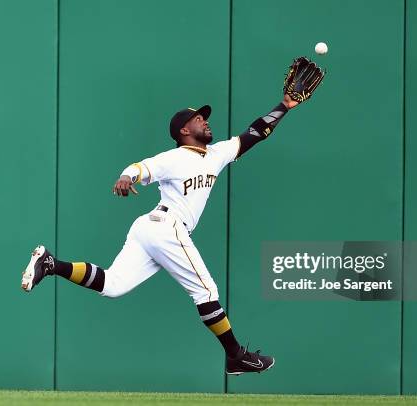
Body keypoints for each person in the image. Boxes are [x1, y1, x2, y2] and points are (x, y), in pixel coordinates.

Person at [22, 94, 301, 375]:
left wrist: (284, 106)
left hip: (150, 228)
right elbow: (140, 168)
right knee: (205, 291)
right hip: (166, 228)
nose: (205, 121)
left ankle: (51, 264)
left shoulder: (217, 154)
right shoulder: (174, 158)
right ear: (184, 130)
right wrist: (126, 177)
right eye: (198, 119)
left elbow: (255, 133)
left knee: (114, 286)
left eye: (204, 118)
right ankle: (236, 355)